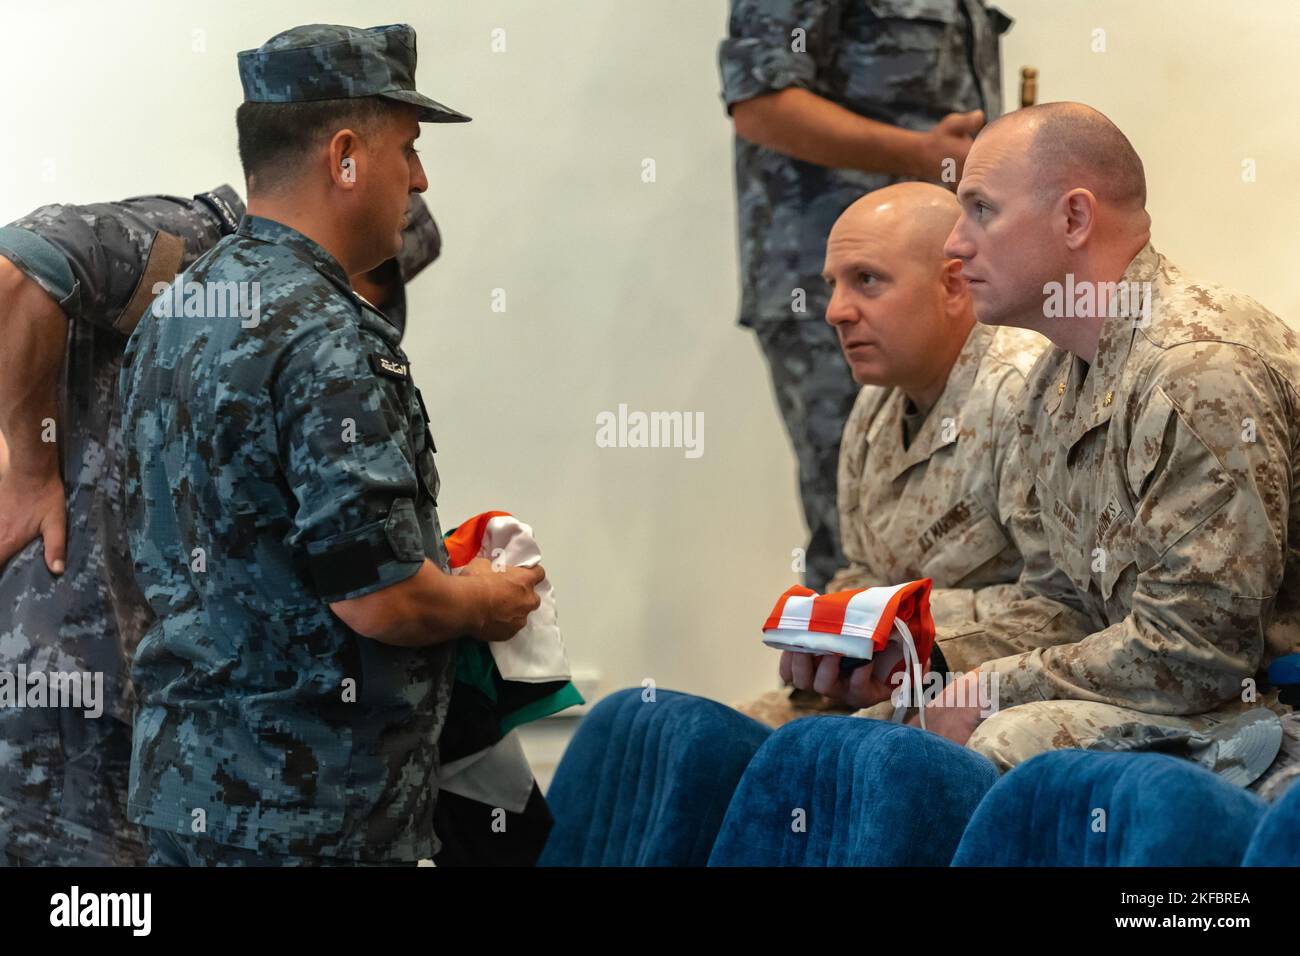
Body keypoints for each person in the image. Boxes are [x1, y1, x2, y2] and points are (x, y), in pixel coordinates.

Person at [119, 22, 542, 866]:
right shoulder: (327, 334)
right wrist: (484, 600)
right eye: (410, 149)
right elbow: (380, 599)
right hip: (310, 814)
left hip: (186, 795)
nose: (419, 180)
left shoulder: (178, 308)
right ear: (345, 156)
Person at [789, 103, 1300, 794]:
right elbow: (1065, 605)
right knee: (867, 734)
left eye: (980, 210)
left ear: (1073, 219)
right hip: (1175, 694)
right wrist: (926, 662)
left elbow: (1200, 650)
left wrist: (992, 688)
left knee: (999, 742)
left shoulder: (1195, 368)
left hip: (1265, 711)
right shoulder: (1056, 381)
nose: (954, 245)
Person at [0, 184, 444, 865]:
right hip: (69, 708)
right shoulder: (190, 245)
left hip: (164, 724)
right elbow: (21, 266)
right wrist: (30, 469)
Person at [717, 0, 1012, 590]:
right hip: (836, 273)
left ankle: (923, 663)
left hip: (942, 269)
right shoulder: (842, 305)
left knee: (974, 512)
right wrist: (917, 154)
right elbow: (760, 103)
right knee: (854, 523)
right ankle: (840, 666)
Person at [736, 182, 1044, 728]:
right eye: (832, 286)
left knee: (797, 763)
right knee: (695, 734)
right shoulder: (875, 405)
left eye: (867, 281)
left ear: (953, 286)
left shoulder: (1027, 396)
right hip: (892, 693)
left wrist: (893, 626)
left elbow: (1066, 608)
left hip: (996, 702)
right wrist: (830, 639)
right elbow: (861, 570)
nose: (835, 312)